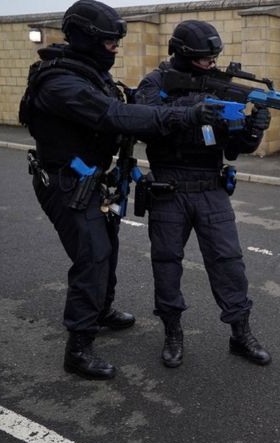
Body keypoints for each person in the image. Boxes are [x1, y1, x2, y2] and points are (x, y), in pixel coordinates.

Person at [20, 0, 223, 381]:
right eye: (110, 41)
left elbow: (119, 106)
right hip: (66, 182)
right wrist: (182, 114)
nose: (115, 48)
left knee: (107, 247)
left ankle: (101, 310)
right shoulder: (60, 82)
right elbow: (112, 116)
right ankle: (78, 346)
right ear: (86, 38)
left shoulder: (88, 73)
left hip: (92, 180)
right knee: (92, 256)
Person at [134, 20, 272, 369]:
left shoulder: (221, 87)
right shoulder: (156, 83)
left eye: (215, 58)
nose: (213, 63)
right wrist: (192, 112)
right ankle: (172, 332)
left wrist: (253, 129)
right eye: (205, 59)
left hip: (210, 186)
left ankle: (240, 333)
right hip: (168, 187)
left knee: (229, 264)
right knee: (166, 264)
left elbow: (234, 149)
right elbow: (145, 120)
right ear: (182, 54)